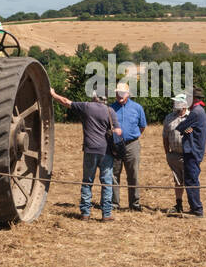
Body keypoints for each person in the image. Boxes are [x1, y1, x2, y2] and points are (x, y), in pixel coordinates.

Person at [49, 87, 122, 221]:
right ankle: (106, 214)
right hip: (106, 151)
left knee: (87, 181)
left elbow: (66, 102)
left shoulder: (86, 107)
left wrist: (53, 94)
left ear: (95, 96)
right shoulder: (110, 111)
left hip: (90, 150)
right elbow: (118, 131)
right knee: (106, 182)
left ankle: (85, 213)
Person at [108, 82, 148, 212]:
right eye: (117, 93)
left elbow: (142, 126)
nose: (119, 95)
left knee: (133, 174)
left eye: (122, 93)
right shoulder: (110, 109)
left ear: (128, 94)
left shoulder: (137, 108)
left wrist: (130, 137)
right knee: (114, 174)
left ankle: (134, 203)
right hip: (115, 145)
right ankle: (114, 203)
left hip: (132, 145)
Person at [180, 87, 206, 217]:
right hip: (194, 149)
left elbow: (180, 127)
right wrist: (188, 128)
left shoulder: (196, 112)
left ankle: (197, 209)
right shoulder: (199, 110)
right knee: (191, 179)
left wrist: (187, 128)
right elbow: (187, 128)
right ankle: (194, 208)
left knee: (191, 180)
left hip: (192, 150)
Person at [163, 93, 190, 214]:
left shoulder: (191, 117)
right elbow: (165, 136)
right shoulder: (169, 117)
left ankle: (193, 206)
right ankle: (179, 204)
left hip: (188, 156)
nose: (175, 104)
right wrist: (167, 153)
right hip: (173, 155)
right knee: (178, 181)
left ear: (184, 104)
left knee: (189, 181)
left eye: (177, 102)